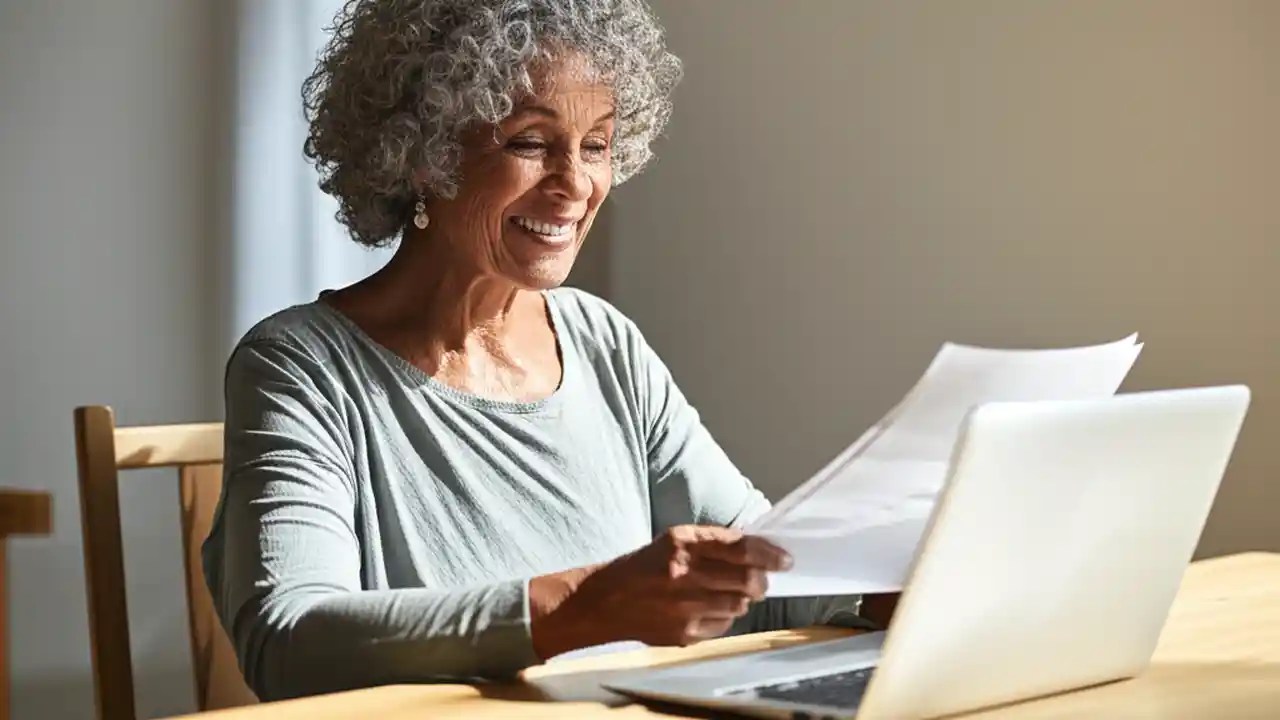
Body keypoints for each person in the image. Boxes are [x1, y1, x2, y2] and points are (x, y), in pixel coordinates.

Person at [203, 0, 893, 702]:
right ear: (421, 152)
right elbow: (288, 638)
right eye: (531, 143)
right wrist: (578, 608)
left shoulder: (603, 343)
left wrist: (885, 595)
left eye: (596, 145)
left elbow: (764, 579)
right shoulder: (300, 367)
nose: (575, 185)